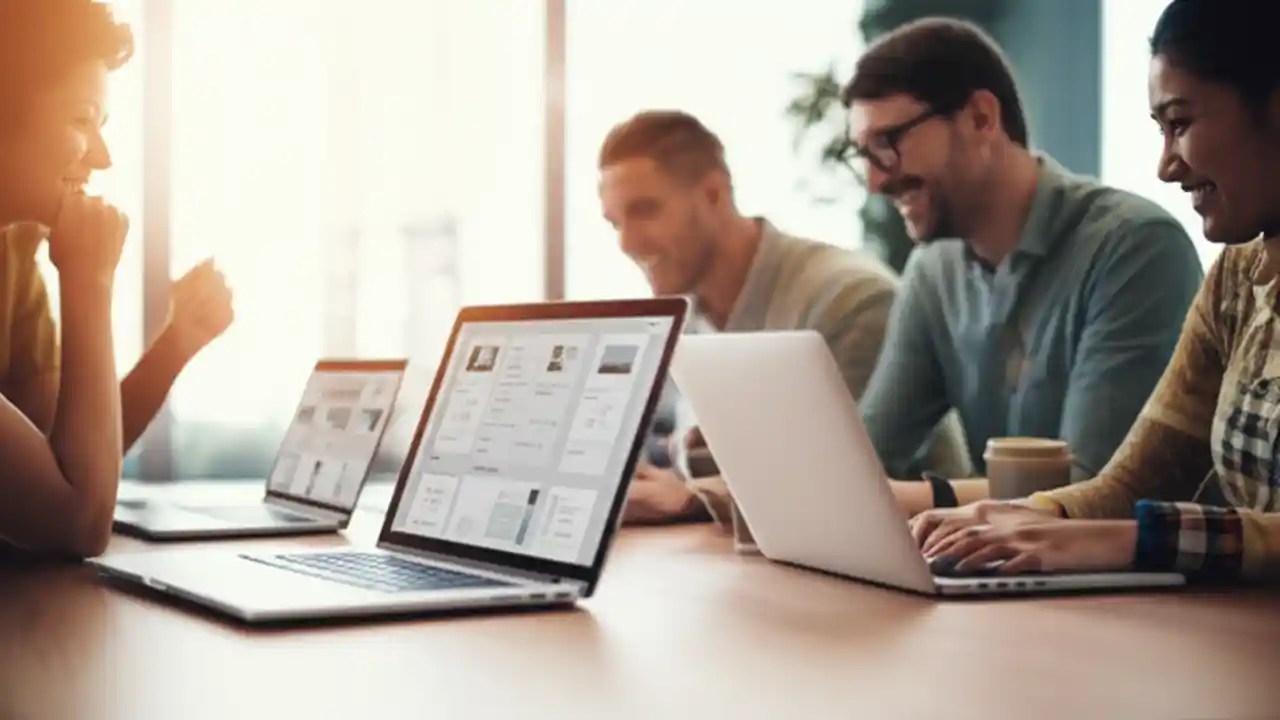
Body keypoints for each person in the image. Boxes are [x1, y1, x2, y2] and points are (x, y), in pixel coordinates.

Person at [912, 0, 1280, 582]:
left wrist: (1131, 540)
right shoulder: (1237, 281)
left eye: (1180, 124)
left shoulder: (1132, 244)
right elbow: (1136, 481)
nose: (1166, 167)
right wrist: (1018, 516)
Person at [842, 18, 1205, 515]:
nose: (874, 181)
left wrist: (913, 497)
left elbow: (1095, 486)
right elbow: (866, 455)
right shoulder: (933, 272)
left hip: (1153, 585)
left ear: (981, 118)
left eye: (887, 143)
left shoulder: (1133, 247)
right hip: (1007, 567)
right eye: (861, 153)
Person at [596, 110, 971, 525]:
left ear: (714, 195)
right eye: (615, 223)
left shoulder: (850, 300)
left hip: (909, 565)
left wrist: (694, 497)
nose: (627, 243)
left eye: (645, 211)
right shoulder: (690, 317)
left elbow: (841, 487)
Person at [0, 0, 233, 558]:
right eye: (81, 118)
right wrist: (89, 279)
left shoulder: (13, 246)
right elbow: (76, 520)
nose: (102, 157)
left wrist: (173, 347)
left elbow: (65, 455)